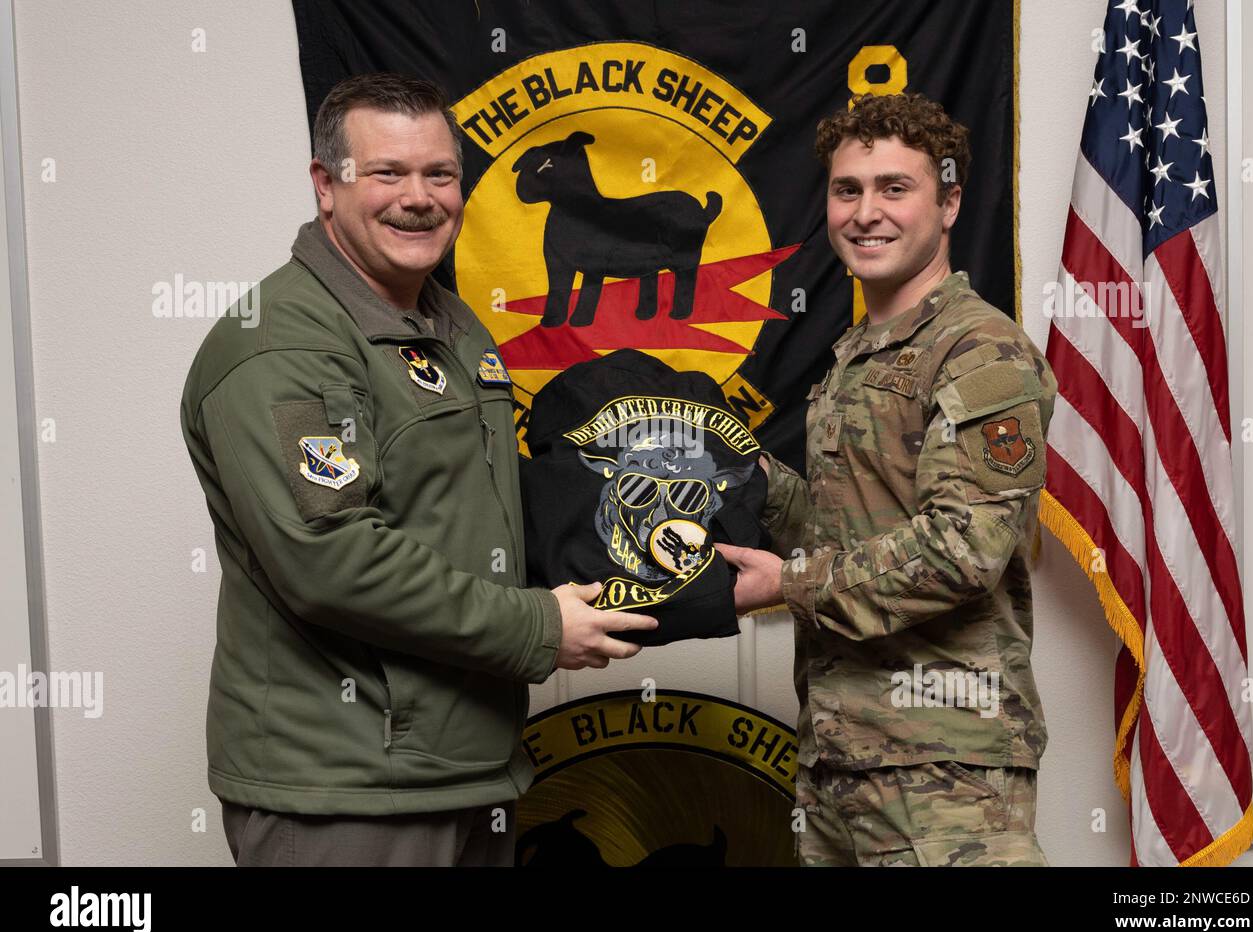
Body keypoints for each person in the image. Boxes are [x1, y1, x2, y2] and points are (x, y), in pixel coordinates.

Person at [180, 72, 656, 867]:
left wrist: (679, 562)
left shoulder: (448, 322)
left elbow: (486, 514)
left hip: (463, 768)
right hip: (348, 789)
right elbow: (331, 560)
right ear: (326, 186)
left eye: (440, 174)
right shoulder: (284, 347)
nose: (420, 197)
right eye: (388, 174)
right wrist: (539, 627)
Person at [716, 92, 1056, 867]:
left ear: (949, 203)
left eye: (894, 188)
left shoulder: (979, 351)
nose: (866, 213)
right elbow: (851, 535)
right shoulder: (855, 355)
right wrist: (754, 481)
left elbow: (962, 550)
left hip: (946, 770)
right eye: (848, 191)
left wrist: (787, 584)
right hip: (840, 757)